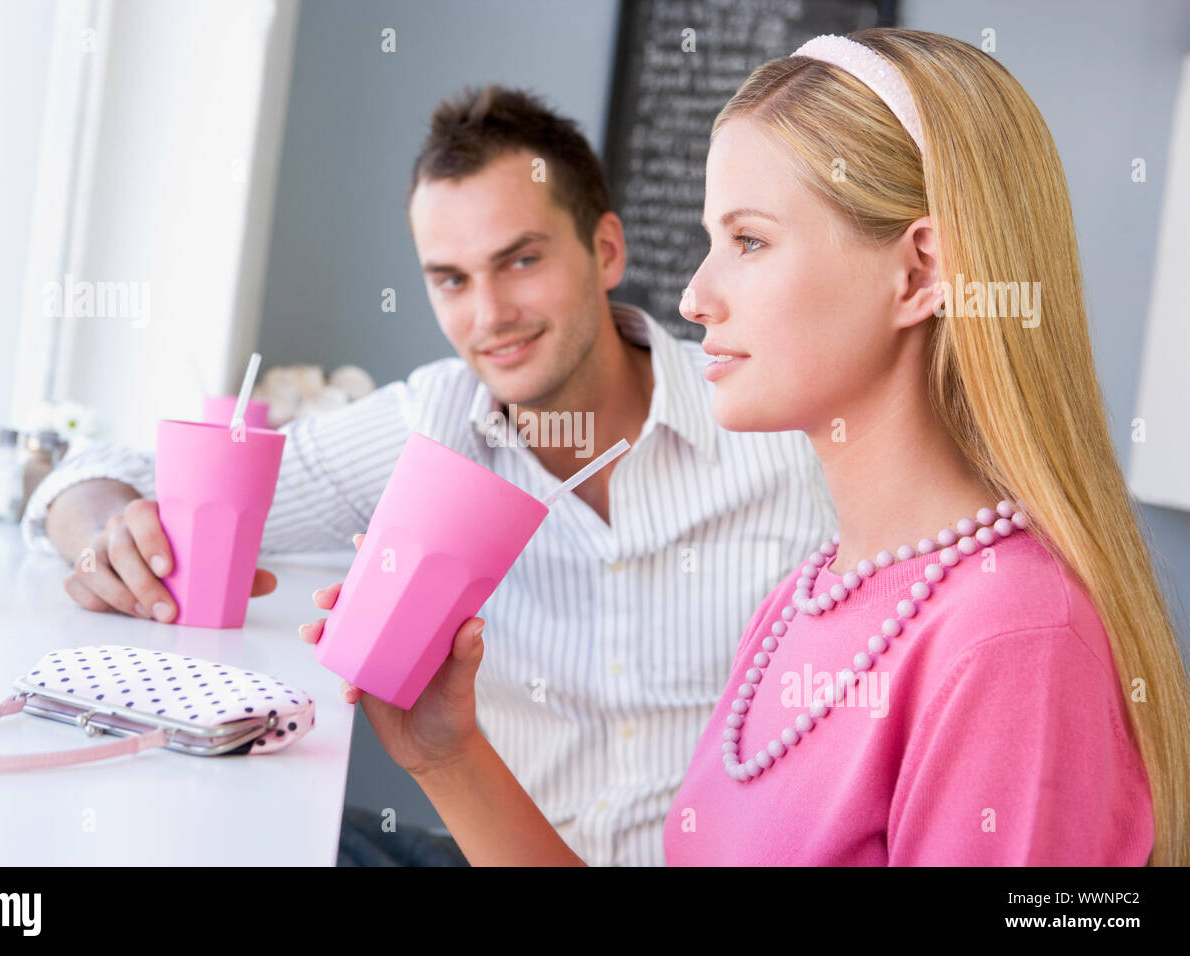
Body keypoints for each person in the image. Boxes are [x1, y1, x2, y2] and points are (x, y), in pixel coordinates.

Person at [302, 28, 1190, 866]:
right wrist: (445, 754)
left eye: (750, 241)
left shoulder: (1015, 638)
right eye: (709, 242)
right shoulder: (800, 603)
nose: (693, 297)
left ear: (920, 272)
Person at [21, 86, 838, 866]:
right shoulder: (431, 422)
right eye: (451, 279)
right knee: (230, 832)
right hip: (486, 856)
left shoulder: (777, 424)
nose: (488, 316)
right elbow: (109, 475)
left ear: (606, 250)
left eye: (520, 261)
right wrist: (107, 531)